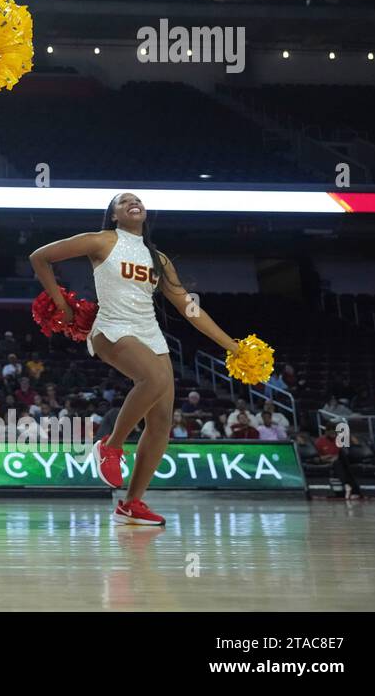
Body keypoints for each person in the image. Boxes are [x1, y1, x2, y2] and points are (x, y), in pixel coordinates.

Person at [30, 192, 248, 527]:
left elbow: (189, 307)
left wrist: (231, 345)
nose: (134, 202)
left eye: (138, 200)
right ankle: (111, 446)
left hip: (150, 334)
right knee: (155, 380)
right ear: (114, 215)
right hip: (111, 328)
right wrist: (62, 304)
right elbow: (40, 257)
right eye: (124, 201)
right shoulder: (100, 241)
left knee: (161, 424)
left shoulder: (158, 259)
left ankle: (131, 504)